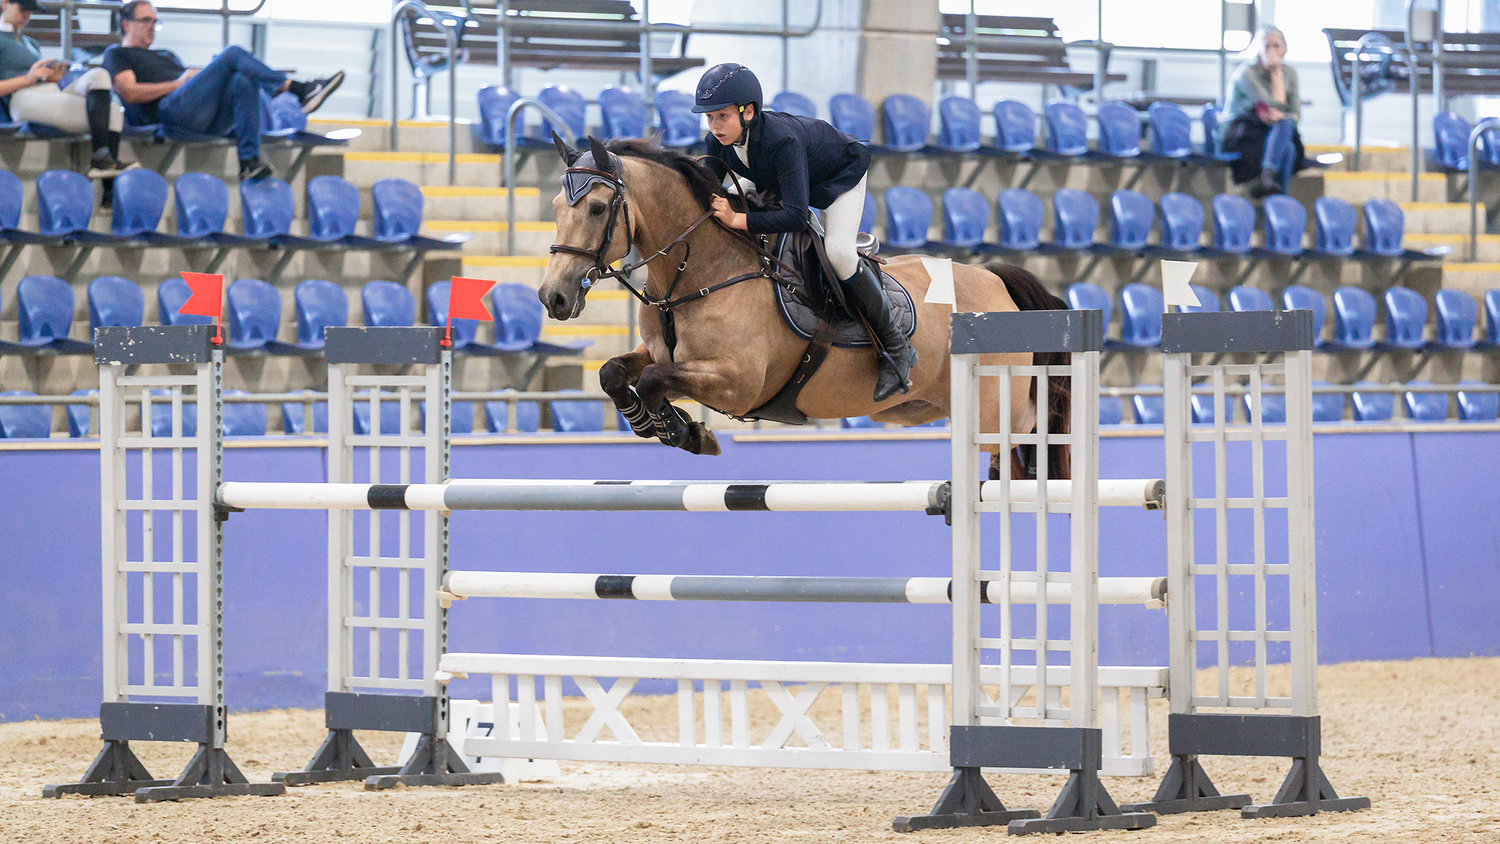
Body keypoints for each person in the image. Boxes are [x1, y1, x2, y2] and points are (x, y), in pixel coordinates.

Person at [693, 62, 915, 403]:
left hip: (837, 178)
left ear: (748, 111)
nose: (715, 126)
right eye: (710, 117)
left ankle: (897, 348)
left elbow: (796, 216)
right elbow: (707, 193)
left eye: (722, 116)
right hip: (779, 174)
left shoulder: (782, 139)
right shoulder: (717, 141)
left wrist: (738, 221)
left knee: (839, 254)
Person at [102, 0, 343, 181]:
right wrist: (180, 83)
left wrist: (198, 78)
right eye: (146, 21)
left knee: (242, 79)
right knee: (232, 53)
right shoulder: (117, 53)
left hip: (198, 112)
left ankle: (249, 161)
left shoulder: (166, 55)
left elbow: (194, 85)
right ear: (126, 24)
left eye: (155, 21)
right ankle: (298, 89)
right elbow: (130, 92)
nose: (152, 26)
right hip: (166, 113)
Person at [0, 0, 132, 177]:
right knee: (110, 114)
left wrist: (52, 77)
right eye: (22, 9)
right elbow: (26, 79)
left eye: (30, 11)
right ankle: (103, 167)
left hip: (47, 92)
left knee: (101, 78)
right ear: (4, 3)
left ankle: (104, 167)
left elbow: (40, 79)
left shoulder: (30, 42)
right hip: (22, 99)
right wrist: (28, 78)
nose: (26, 16)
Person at [1220, 25, 1308, 199]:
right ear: (1258, 49)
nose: (1271, 51)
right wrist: (1276, 74)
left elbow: (1296, 113)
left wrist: (1282, 115)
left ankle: (1269, 180)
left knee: (1288, 141)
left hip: (1271, 131)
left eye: (1276, 46)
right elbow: (1268, 104)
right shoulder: (1246, 73)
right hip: (1242, 131)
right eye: (1266, 46)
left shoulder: (1290, 73)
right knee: (1286, 142)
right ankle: (1279, 199)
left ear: (1284, 49)